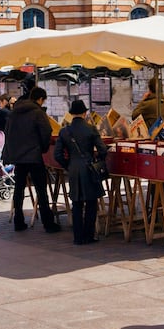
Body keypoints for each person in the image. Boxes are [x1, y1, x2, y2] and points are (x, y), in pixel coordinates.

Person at [2, 87, 62, 233]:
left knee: (19, 189)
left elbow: (7, 132)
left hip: (19, 157)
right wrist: (42, 148)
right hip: (34, 156)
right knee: (41, 190)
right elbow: (46, 131)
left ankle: (18, 221)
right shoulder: (38, 113)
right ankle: (48, 223)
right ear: (40, 99)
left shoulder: (14, 113)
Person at [54, 100, 108, 245]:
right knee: (91, 203)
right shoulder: (91, 129)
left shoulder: (64, 131)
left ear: (71, 114)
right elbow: (102, 150)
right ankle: (89, 235)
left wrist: (68, 165)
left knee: (76, 203)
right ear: (85, 113)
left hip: (73, 169)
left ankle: (78, 237)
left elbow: (57, 154)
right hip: (89, 168)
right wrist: (97, 159)